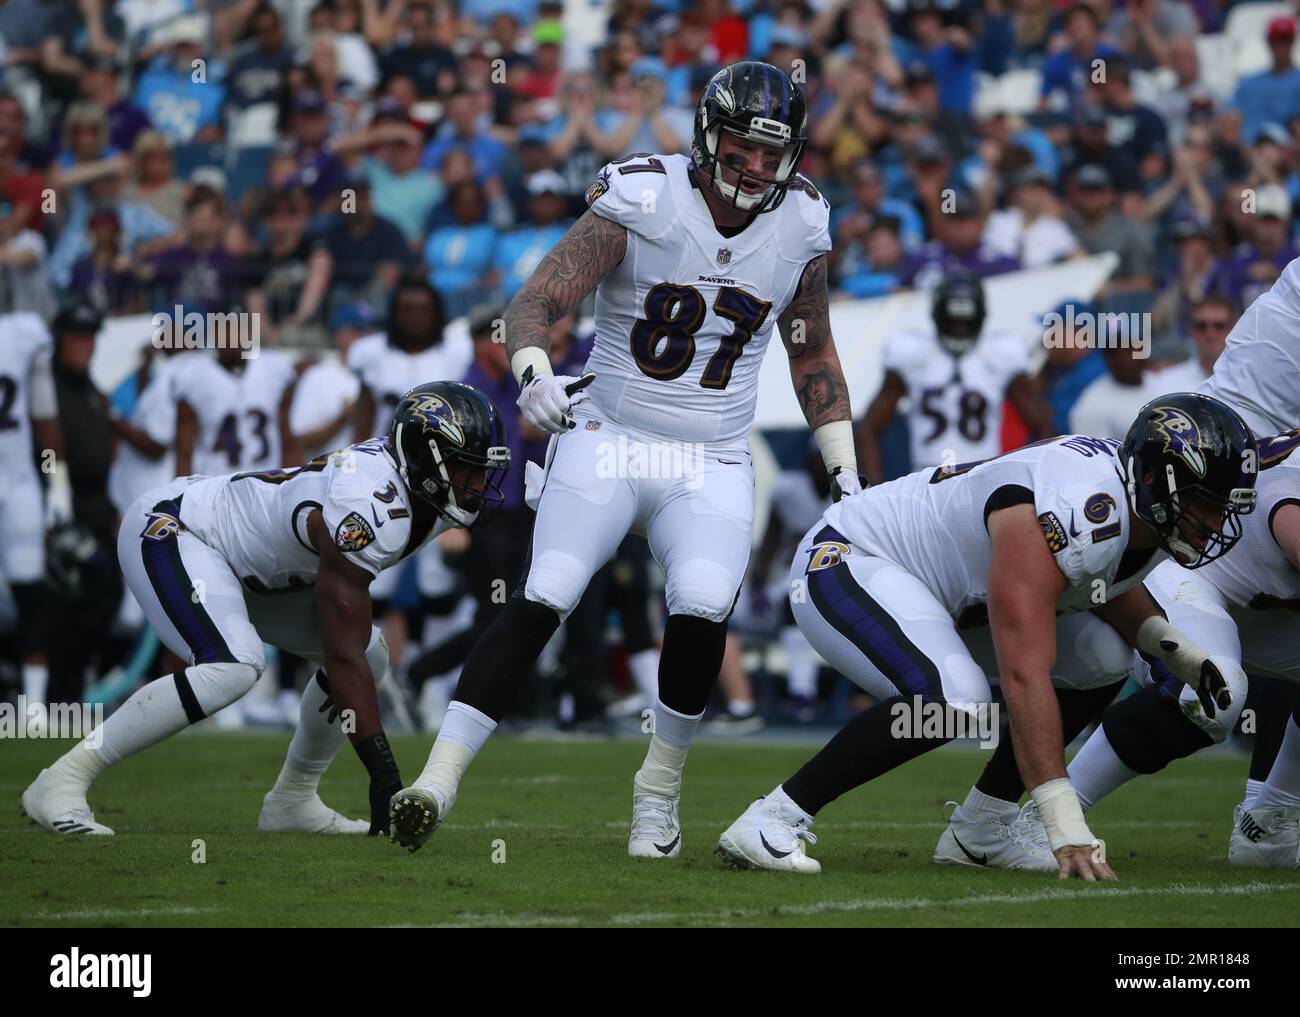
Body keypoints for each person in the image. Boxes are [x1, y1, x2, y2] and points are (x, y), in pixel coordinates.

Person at [389, 62, 859, 858]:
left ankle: (657, 795)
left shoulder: (803, 223)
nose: (753, 167)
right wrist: (533, 373)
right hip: (606, 430)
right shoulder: (644, 195)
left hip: (711, 453)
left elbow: (810, 345)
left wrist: (844, 468)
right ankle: (436, 779)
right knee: (550, 590)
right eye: (740, 147)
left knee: (704, 605)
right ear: (710, 137)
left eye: (768, 153)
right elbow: (535, 302)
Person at [716, 394, 1259, 877]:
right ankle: (773, 818)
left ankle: (982, 831)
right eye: (1206, 502)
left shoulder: (1134, 507)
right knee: (955, 702)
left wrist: (1178, 654)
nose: (1214, 522)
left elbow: (1105, 583)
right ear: (1155, 479)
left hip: (950, 597)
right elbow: (1025, 677)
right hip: (851, 558)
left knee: (1103, 657)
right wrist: (1065, 826)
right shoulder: (1067, 509)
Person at [21, 382, 511, 837]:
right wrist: (384, 775)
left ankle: (291, 801)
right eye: (466, 467)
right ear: (424, 461)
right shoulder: (366, 506)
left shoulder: (418, 494)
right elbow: (340, 654)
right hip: (179, 529)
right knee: (233, 667)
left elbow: (351, 648)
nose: (477, 483)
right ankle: (62, 779)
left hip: (257, 571)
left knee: (372, 652)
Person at [943, 427, 1300, 872]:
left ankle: (1271, 822)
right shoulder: (1290, 479)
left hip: (1269, 601)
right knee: (1213, 699)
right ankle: (1049, 818)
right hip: (1192, 572)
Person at [858, 270, 1052, 485]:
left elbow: (1043, 426)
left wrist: (1037, 483)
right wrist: (873, 487)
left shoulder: (1003, 354)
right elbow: (869, 429)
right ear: (937, 316)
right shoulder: (910, 354)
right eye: (952, 322)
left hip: (983, 477)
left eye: (966, 322)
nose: (959, 330)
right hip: (927, 479)